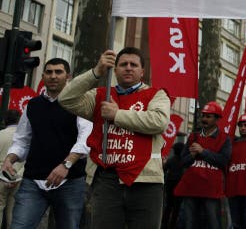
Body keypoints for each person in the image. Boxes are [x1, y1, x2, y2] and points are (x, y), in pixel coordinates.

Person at [59, 48, 170, 229]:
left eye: (133, 65)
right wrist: (96, 72)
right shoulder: (101, 96)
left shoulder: (157, 95)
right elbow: (66, 99)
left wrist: (117, 115)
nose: (128, 68)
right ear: (115, 69)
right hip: (106, 179)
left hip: (146, 181)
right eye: (123, 64)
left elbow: (158, 122)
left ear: (142, 72)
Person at [2, 58, 92, 229]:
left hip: (70, 183)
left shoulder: (80, 103)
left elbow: (86, 139)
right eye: (49, 72)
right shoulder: (33, 105)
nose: (53, 76)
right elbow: (22, 140)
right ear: (42, 76)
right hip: (33, 182)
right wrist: (10, 159)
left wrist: (65, 165)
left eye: (58, 72)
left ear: (68, 76)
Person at [173, 101, 231, 229]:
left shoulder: (224, 139)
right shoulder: (193, 136)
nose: (204, 119)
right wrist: (192, 155)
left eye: (208, 116)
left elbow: (223, 161)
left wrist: (203, 152)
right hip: (191, 188)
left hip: (211, 190)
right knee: (189, 224)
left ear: (217, 119)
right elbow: (183, 161)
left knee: (212, 223)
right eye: (203, 115)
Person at [0, 109, 23, 227]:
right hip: (19, 177)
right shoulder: (24, 138)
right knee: (13, 213)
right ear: (20, 120)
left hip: (1, 177)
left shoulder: (1, 135)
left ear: (5, 121)